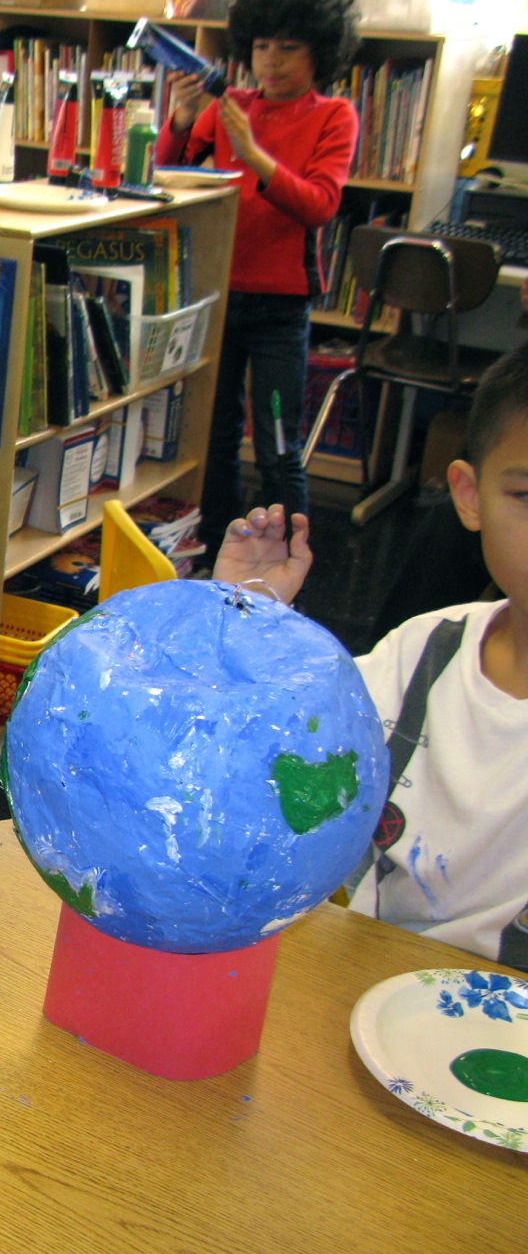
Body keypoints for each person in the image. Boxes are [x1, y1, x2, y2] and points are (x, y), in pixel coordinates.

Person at [214, 341, 528, 971]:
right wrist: (249, 625)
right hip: (374, 981)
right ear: (469, 496)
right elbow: (262, 771)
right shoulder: (423, 654)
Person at [157, 0, 360, 564]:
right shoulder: (232, 106)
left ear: (319, 52)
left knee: (277, 445)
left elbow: (320, 204)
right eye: (262, 46)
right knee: (215, 438)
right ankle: (217, 554)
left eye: (289, 48)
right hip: (220, 297)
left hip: (280, 307)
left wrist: (253, 156)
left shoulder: (334, 115)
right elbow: (168, 175)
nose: (271, 60)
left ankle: (289, 562)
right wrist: (180, 118)